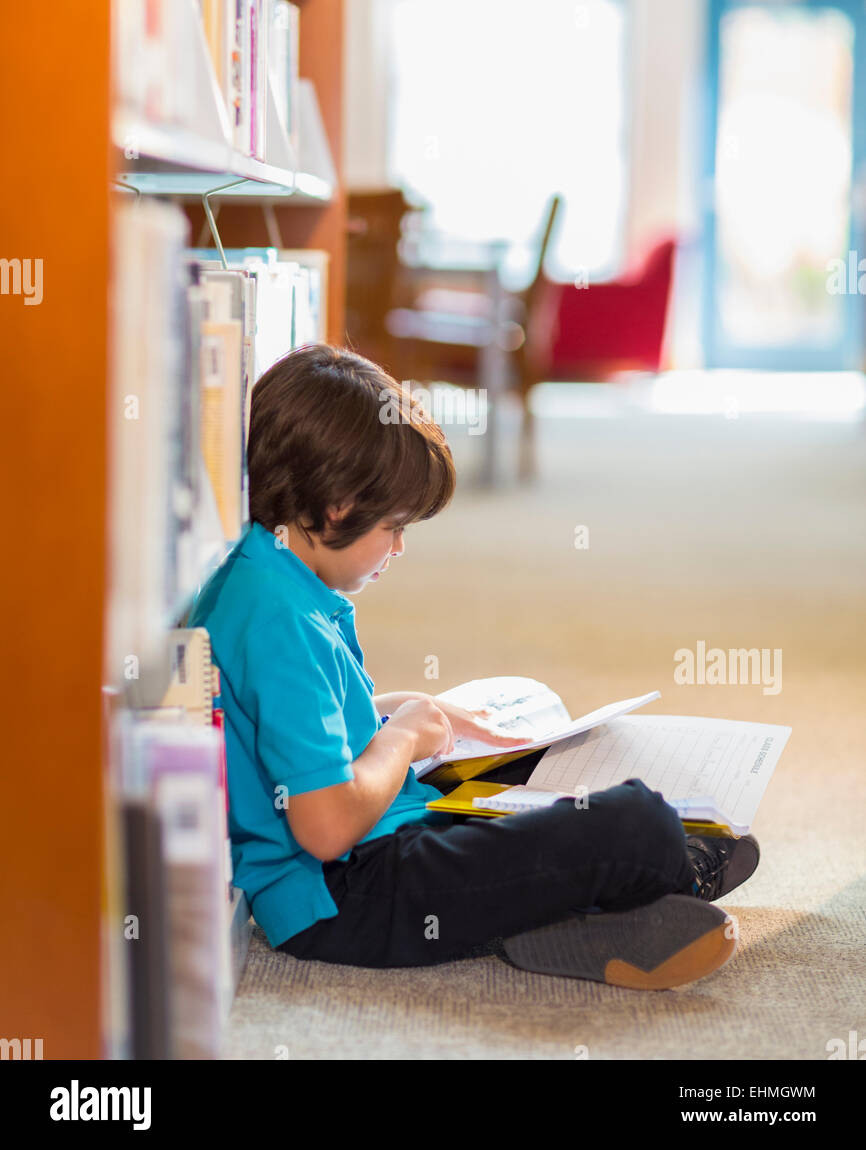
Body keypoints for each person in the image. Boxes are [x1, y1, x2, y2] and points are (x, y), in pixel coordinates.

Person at [189, 343, 759, 989]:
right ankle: (659, 869)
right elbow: (323, 827)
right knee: (640, 826)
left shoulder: (269, 577)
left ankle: (571, 912)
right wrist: (403, 737)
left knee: (537, 765)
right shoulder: (278, 618)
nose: (399, 547)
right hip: (353, 892)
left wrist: (409, 711)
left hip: (386, 836)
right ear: (337, 508)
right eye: (395, 526)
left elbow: (298, 724)